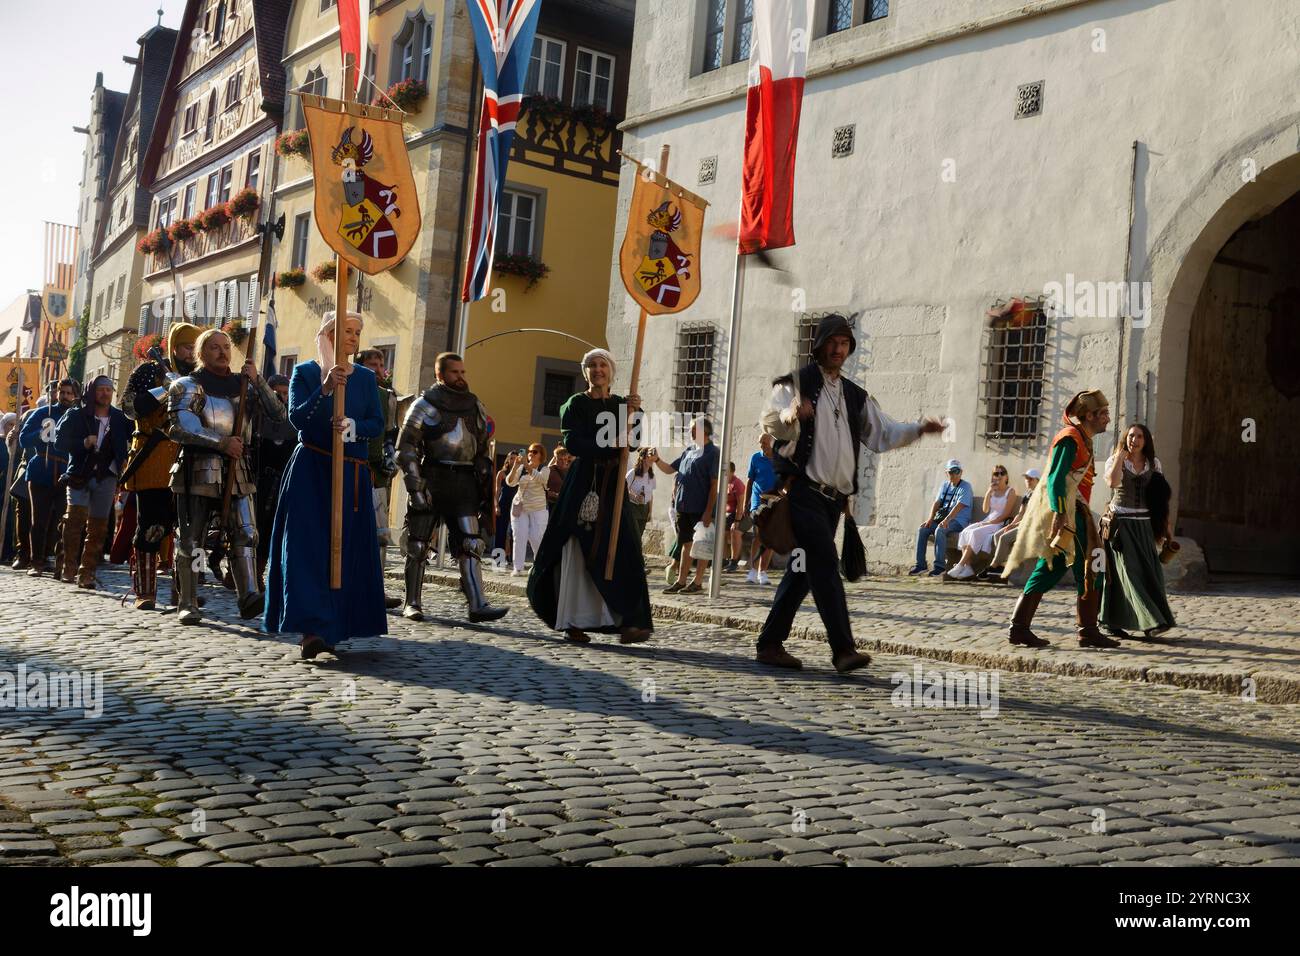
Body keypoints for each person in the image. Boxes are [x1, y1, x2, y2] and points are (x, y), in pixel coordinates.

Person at [758, 313, 946, 672]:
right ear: (820, 344)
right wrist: (790, 415)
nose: (838, 349)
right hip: (801, 493)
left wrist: (921, 429)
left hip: (833, 501)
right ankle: (843, 649)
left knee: (802, 571)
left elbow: (883, 432)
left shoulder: (854, 395)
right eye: (832, 342)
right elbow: (768, 420)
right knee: (826, 564)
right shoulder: (794, 384)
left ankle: (769, 643)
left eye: (844, 344)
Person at [265, 311, 389, 659]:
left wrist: (351, 426)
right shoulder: (305, 372)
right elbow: (298, 417)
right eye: (346, 331)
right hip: (312, 469)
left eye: (356, 332)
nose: (353, 338)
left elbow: (376, 423)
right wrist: (324, 389)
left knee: (345, 547)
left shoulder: (365, 378)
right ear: (329, 334)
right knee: (309, 547)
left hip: (350, 473)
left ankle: (336, 625)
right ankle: (310, 629)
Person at [526, 348, 652, 645]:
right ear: (586, 373)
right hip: (584, 483)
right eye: (592, 366)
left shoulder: (623, 405)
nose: (598, 370)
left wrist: (637, 414)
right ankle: (572, 620)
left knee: (625, 547)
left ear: (611, 372)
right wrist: (610, 444)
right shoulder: (575, 404)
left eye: (603, 365)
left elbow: (633, 444)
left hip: (613, 485)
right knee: (577, 545)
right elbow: (574, 442)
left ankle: (629, 621)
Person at [168, 328, 286, 625]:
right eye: (214, 347)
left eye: (226, 346)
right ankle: (189, 600)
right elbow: (181, 426)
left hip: (239, 469)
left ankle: (248, 596)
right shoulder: (188, 386)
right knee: (192, 538)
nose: (222, 352)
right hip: (198, 467)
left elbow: (279, 415)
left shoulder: (244, 385)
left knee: (246, 533)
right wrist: (220, 442)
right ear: (201, 353)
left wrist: (258, 381)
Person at [395, 352, 507, 624]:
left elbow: (481, 446)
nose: (461, 377)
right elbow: (406, 449)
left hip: (464, 482)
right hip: (433, 477)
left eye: (463, 372)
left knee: (471, 543)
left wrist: (482, 469)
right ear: (440, 374)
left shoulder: (474, 405)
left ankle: (477, 603)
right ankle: (413, 602)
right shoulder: (423, 405)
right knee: (419, 545)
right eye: (455, 372)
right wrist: (416, 488)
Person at [1002, 389, 1116, 648]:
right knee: (1049, 568)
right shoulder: (1070, 439)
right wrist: (1061, 513)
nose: (1108, 418)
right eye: (1104, 414)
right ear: (1089, 415)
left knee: (1091, 567)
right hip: (1067, 513)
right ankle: (1019, 627)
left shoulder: (1084, 439)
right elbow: (1055, 479)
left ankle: (1087, 630)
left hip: (1079, 512)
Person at [120, 322, 198, 609]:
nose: (191, 352)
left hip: (190, 459)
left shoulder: (200, 376)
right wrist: (165, 390)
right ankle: (146, 592)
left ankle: (185, 593)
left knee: (188, 532)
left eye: (195, 346)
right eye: (187, 346)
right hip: (153, 458)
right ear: (174, 347)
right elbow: (128, 408)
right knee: (151, 527)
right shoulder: (148, 371)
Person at [1100, 423, 1176, 639]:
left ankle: (1115, 622)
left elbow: (1161, 501)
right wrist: (1118, 458)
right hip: (1120, 525)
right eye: (1131, 436)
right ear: (1125, 438)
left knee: (1150, 573)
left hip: (1144, 525)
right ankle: (1152, 623)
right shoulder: (1115, 461)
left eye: (1139, 436)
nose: (1135, 440)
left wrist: (1168, 532)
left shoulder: (1154, 464)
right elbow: (1113, 482)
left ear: (1146, 441)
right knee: (1128, 574)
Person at [54, 375, 130, 589]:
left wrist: (124, 457)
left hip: (106, 476)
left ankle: (86, 572)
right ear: (91, 391)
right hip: (79, 475)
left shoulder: (118, 417)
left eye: (108, 389)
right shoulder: (77, 415)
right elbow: (59, 442)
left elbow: (132, 436)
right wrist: (83, 442)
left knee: (98, 527)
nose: (105, 393)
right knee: (73, 522)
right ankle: (69, 566)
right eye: (100, 389)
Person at [357, 348, 402, 609]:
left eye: (380, 364)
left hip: (377, 473)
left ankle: (376, 588)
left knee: (380, 534)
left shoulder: (388, 397)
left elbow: (389, 434)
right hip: (352, 466)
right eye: (371, 364)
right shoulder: (351, 389)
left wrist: (389, 456)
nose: (377, 368)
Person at [654, 417, 720, 595]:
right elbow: (670, 469)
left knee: (702, 546)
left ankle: (697, 582)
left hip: (701, 507)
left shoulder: (713, 453)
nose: (690, 432)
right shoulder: (688, 451)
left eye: (693, 429)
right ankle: (681, 581)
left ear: (704, 431)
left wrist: (708, 511)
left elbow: (714, 484)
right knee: (686, 544)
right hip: (683, 506)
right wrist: (656, 459)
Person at [19, 379, 78, 576]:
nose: (65, 396)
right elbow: (23, 438)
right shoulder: (43, 413)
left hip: (66, 472)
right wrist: (41, 432)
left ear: (75, 396)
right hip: (41, 470)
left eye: (70, 393)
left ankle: (57, 562)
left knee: (62, 521)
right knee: (40, 520)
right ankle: (36, 562)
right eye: (63, 392)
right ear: (57, 393)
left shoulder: (78, 416)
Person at [254, 374, 296, 575]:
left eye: (284, 393)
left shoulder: (292, 418)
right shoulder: (256, 415)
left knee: (269, 528)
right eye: (276, 393)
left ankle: (258, 572)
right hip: (255, 479)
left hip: (280, 481)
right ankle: (236, 572)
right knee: (250, 528)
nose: (280, 397)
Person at [946, 464, 1020, 579]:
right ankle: (968, 567)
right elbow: (985, 509)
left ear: (1006, 476)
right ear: (993, 476)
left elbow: (1006, 514)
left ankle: (960, 565)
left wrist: (990, 523)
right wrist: (989, 492)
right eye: (996, 473)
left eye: (1002, 473)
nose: (999, 476)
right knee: (966, 531)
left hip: (999, 523)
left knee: (975, 533)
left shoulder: (1010, 492)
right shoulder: (992, 491)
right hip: (988, 520)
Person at [911, 459, 973, 576]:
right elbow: (937, 503)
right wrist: (930, 519)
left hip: (959, 521)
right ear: (946, 473)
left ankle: (940, 567)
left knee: (940, 530)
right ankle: (921, 565)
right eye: (951, 472)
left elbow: (958, 507)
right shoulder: (944, 485)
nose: (954, 474)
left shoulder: (966, 487)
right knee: (923, 529)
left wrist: (946, 521)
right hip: (943, 519)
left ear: (961, 472)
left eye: (956, 471)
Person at [980, 468, 1041, 580]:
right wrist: (1011, 524)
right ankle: (1002, 565)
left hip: (1033, 527)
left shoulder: (1040, 495)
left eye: (1031, 479)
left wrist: (1014, 525)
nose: (1027, 481)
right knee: (997, 535)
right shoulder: (1027, 494)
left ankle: (993, 566)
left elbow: (1034, 518)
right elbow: (1021, 513)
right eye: (1026, 478)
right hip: (1023, 524)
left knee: (1004, 538)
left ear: (1037, 480)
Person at [506, 442, 550, 575]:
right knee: (519, 535)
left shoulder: (545, 469)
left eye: (535, 452)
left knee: (536, 537)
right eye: (530, 451)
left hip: (538, 509)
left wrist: (525, 464)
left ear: (541, 455)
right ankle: (517, 568)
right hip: (520, 507)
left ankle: (538, 565)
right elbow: (510, 482)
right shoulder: (522, 468)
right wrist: (515, 466)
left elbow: (541, 479)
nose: (531, 454)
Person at [743, 433, 778, 585]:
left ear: (772, 444)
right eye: (760, 443)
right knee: (758, 536)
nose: (762, 446)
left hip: (775, 502)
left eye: (764, 443)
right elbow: (750, 481)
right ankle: (753, 569)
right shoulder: (755, 458)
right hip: (758, 502)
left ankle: (762, 572)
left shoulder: (779, 459)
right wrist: (746, 504)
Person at [625, 446, 656, 543]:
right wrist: (634, 496)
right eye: (649, 457)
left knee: (639, 537)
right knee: (632, 536)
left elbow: (651, 495)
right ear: (643, 458)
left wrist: (650, 511)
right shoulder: (632, 473)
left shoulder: (652, 476)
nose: (652, 460)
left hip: (644, 510)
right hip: (632, 508)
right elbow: (624, 490)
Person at [722, 461, 746, 572]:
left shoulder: (737, 484)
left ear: (732, 472)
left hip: (741, 514)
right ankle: (724, 560)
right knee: (721, 532)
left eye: (727, 472)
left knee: (734, 531)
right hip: (728, 514)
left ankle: (734, 561)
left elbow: (740, 506)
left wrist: (736, 521)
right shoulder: (723, 483)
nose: (724, 474)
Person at [494, 453, 517, 557]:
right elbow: (497, 491)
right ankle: (498, 559)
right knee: (500, 532)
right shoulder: (502, 473)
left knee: (514, 532)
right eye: (511, 458)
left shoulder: (521, 473)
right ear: (508, 460)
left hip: (516, 505)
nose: (513, 460)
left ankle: (511, 558)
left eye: (515, 459)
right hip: (503, 503)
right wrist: (496, 506)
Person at [545, 445, 571, 510]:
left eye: (565, 459)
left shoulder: (571, 470)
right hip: (550, 504)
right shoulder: (549, 470)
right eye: (560, 459)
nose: (563, 462)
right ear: (555, 458)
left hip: (565, 504)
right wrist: (554, 495)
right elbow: (542, 489)